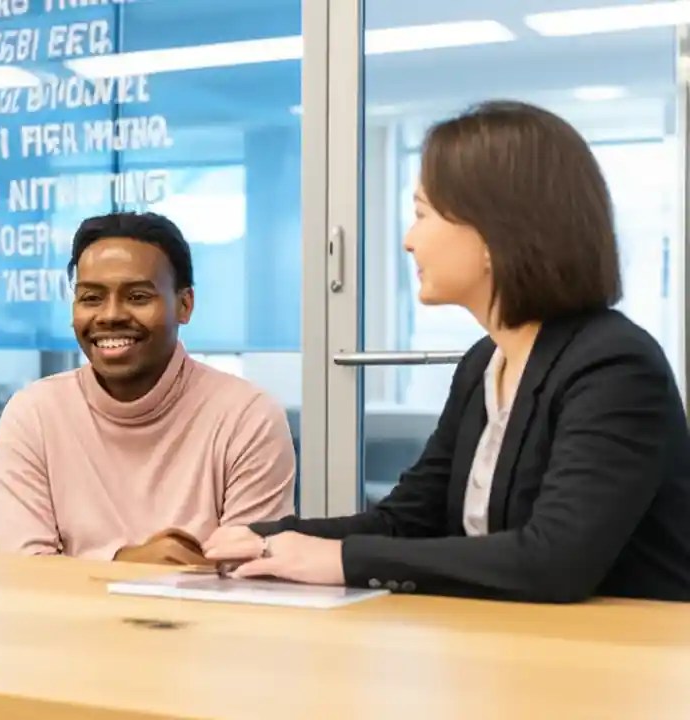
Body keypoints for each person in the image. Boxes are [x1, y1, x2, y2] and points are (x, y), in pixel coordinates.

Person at [206, 100, 690, 603]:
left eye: (422, 214)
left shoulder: (614, 365)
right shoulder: (486, 361)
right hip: (510, 646)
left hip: (619, 658)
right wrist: (271, 538)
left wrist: (341, 561)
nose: (410, 241)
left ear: (494, 232)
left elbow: (555, 560)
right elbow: (409, 519)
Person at [0, 211, 295, 563]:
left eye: (137, 297)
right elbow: (20, 573)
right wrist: (128, 565)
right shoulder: (34, 415)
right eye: (91, 298)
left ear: (185, 305)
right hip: (62, 620)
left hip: (205, 620)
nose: (110, 315)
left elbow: (248, 578)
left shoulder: (247, 418)